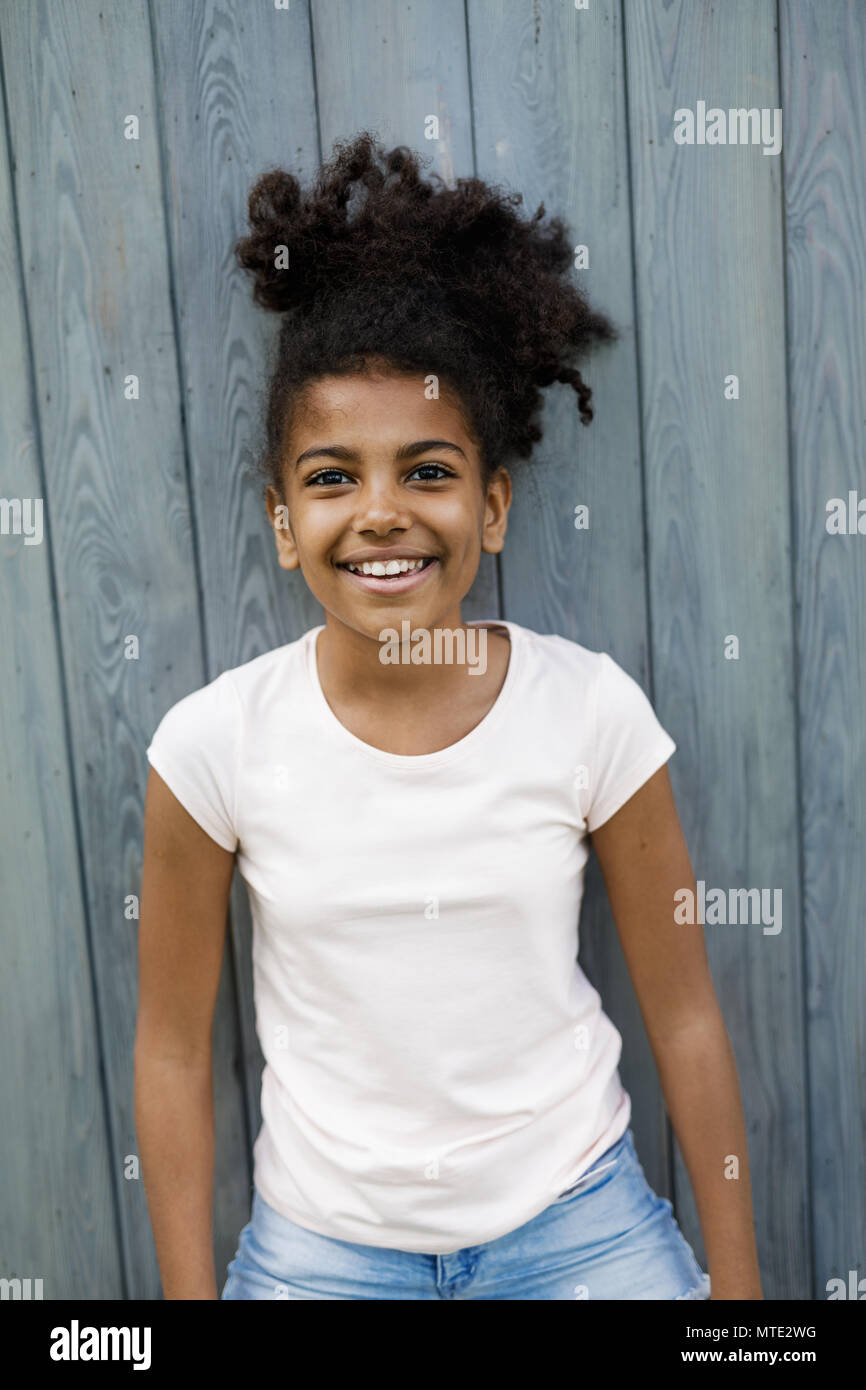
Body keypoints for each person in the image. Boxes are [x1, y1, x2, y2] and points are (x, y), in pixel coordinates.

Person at [134, 132, 762, 1300]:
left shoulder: (589, 713)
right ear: (281, 524)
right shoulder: (212, 744)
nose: (380, 513)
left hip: (574, 1224)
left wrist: (740, 1303)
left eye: (425, 471)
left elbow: (683, 1018)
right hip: (326, 1251)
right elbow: (171, 1053)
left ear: (494, 503)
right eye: (331, 478)